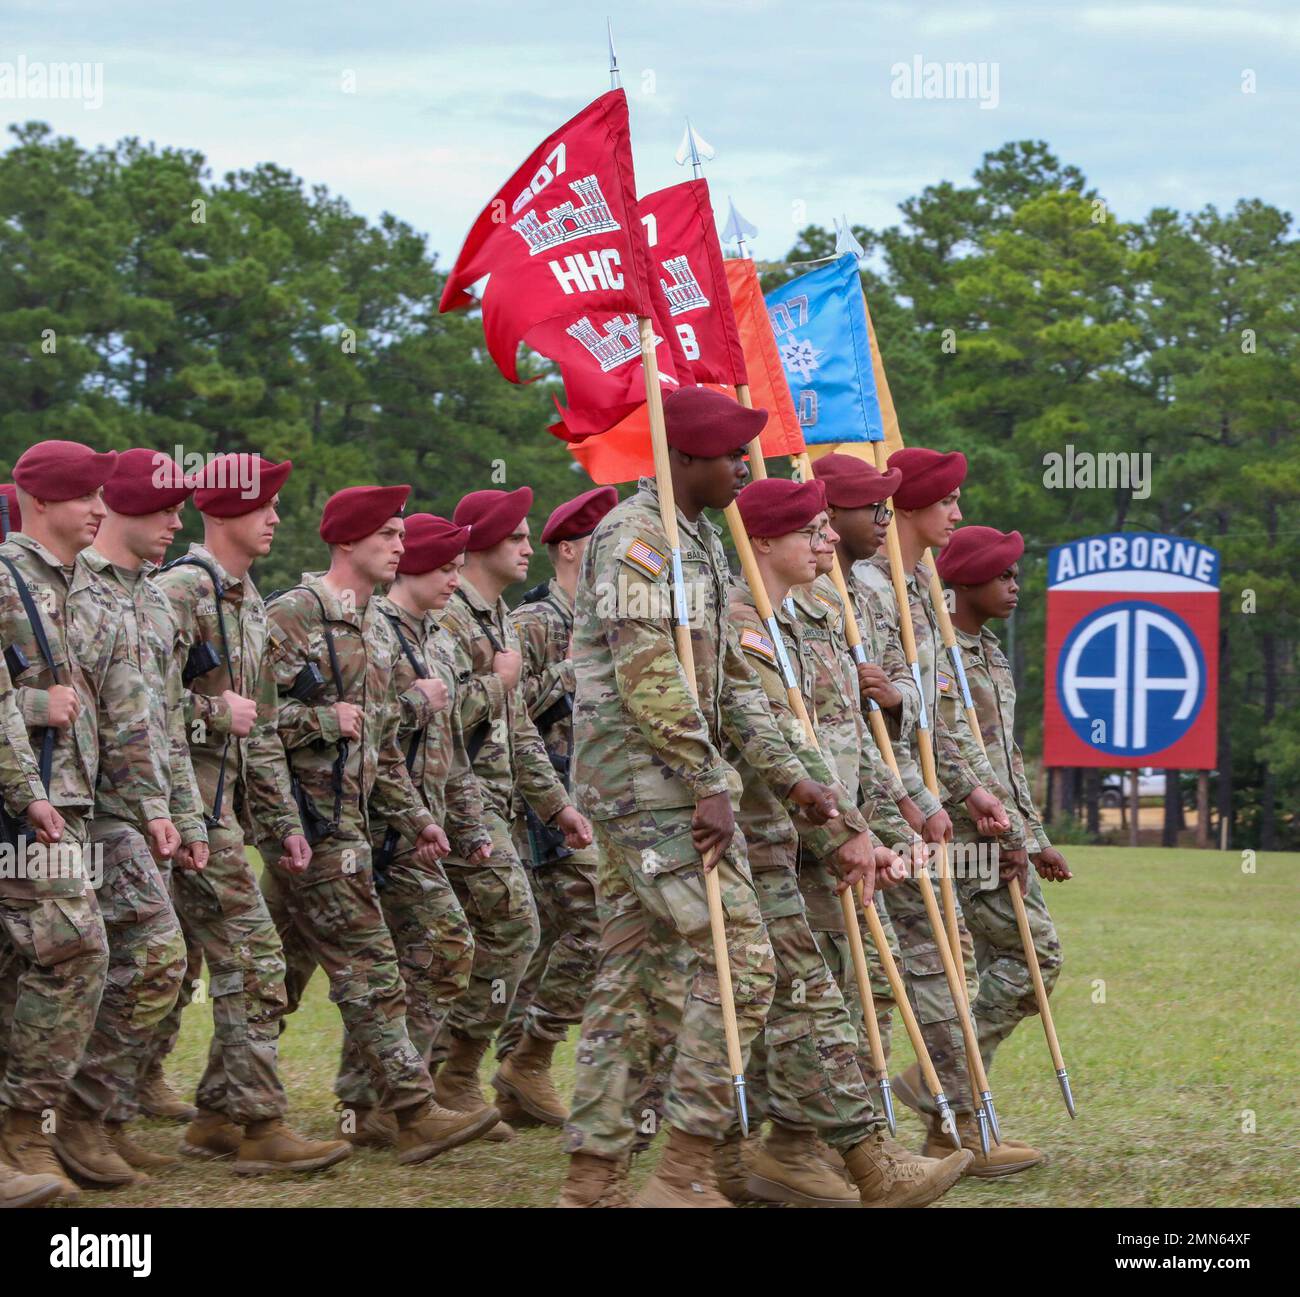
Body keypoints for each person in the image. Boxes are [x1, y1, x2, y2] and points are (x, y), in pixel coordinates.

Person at [558, 386, 845, 1208]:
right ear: (682, 457)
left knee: (632, 981)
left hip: (668, 785)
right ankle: (680, 1173)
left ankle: (591, 1179)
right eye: (728, 454)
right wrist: (711, 781)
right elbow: (647, 676)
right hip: (646, 789)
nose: (742, 466)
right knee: (743, 961)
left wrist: (793, 776)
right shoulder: (635, 539)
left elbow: (723, 685)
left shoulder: (702, 542)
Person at [720, 475, 970, 1209]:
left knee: (818, 1002)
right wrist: (846, 833)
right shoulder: (745, 624)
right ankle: (853, 1159)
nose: (828, 540)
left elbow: (846, 743)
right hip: (764, 843)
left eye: (830, 527)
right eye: (811, 529)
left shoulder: (816, 617)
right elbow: (771, 745)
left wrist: (890, 818)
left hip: (819, 842)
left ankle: (786, 1151)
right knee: (802, 1004)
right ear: (763, 539)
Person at [260, 484, 499, 1164]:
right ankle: (412, 1109)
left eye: (400, 535)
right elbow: (248, 723)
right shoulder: (293, 615)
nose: (401, 546)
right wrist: (316, 723)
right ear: (347, 543)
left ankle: (226, 1108)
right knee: (371, 966)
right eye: (388, 535)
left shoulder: (370, 627)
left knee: (271, 976)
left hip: (349, 827)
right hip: (307, 828)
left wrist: (416, 817)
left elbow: (378, 743)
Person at [154, 453, 350, 1174]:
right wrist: (212, 710)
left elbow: (260, 730)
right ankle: (256, 1125)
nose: (274, 518)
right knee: (247, 957)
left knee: (218, 960)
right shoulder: (180, 591)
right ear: (228, 511)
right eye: (264, 506)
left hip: (219, 816)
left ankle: (214, 1115)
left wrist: (284, 824)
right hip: (181, 813)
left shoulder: (244, 600)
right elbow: (134, 703)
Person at [855, 446, 1040, 1172]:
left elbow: (942, 710)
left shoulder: (917, 585)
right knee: (912, 968)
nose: (957, 514)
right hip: (884, 801)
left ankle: (954, 1127)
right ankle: (929, 1128)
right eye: (947, 502)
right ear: (910, 507)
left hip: (925, 798)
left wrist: (968, 788)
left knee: (946, 962)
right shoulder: (866, 589)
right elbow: (871, 704)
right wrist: (917, 792)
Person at [0, 440, 165, 1200]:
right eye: (85, 496)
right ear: (41, 504)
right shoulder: (8, 580)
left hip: (79, 805)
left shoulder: (80, 588)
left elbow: (127, 711)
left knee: (127, 951)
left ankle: (73, 1118)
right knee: (74, 950)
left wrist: (154, 809)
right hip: (25, 805)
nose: (101, 509)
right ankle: (24, 1127)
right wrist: (28, 768)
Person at [61, 450, 205, 1184]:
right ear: (119, 507)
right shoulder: (68, 588)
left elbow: (166, 718)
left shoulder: (156, 598)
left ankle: (101, 1118)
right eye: (164, 510)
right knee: (148, 958)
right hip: (78, 810)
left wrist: (182, 812)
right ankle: (73, 1118)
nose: (176, 524)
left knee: (140, 962)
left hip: (141, 813)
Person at [435, 486, 592, 1142]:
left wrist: (562, 807)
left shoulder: (497, 618)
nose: (525, 547)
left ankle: (488, 1071)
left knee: (525, 936)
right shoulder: (475, 620)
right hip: (464, 801)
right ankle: (448, 1077)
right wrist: (559, 674)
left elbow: (515, 725)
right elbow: (451, 711)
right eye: (515, 538)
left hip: (528, 799)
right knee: (509, 932)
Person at [331, 513, 488, 1149]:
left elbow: (444, 748)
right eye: (446, 568)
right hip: (348, 827)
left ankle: (383, 1099)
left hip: (404, 827)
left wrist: (448, 820)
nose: (456, 579)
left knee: (440, 950)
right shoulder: (371, 629)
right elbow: (370, 726)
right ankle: (232, 1110)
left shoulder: (432, 639)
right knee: (283, 970)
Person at [931, 523, 1069, 1172]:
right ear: (964, 583)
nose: (1015, 586)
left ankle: (959, 1124)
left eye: (1016, 575)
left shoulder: (990, 652)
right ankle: (945, 1092)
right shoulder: (936, 653)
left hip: (1006, 836)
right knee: (1033, 960)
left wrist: (1035, 835)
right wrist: (1010, 835)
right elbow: (952, 753)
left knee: (1014, 967)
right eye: (1003, 575)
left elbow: (1006, 756)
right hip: (970, 840)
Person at [493, 485, 616, 1128]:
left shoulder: (606, 620)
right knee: (591, 928)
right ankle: (528, 1058)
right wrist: (568, 671)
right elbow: (508, 712)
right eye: (601, 543)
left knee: (548, 942)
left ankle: (514, 1070)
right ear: (570, 549)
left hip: (596, 797)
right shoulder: (538, 622)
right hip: (543, 800)